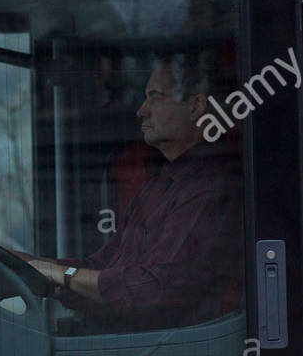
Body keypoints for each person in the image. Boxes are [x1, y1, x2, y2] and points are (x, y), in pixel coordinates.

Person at [27, 51, 243, 329]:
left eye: (154, 97)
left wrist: (60, 275)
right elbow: (104, 266)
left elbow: (152, 289)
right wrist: (32, 266)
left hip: (174, 355)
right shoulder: (162, 183)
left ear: (195, 106)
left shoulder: (213, 182)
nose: (141, 110)